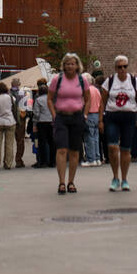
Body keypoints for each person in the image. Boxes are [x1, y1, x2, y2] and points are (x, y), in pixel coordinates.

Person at [100, 56, 137, 191]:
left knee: (126, 149)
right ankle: (115, 177)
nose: (122, 69)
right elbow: (102, 101)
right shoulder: (109, 81)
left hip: (129, 117)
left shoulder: (133, 81)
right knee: (113, 147)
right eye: (119, 67)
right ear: (115, 68)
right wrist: (100, 120)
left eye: (124, 66)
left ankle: (125, 179)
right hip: (112, 116)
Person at [49, 54, 87, 194]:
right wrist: (54, 115)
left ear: (77, 66)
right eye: (67, 64)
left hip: (77, 117)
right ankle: (61, 182)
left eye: (73, 64)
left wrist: (85, 114)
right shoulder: (57, 79)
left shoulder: (82, 80)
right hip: (61, 117)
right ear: (63, 65)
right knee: (61, 149)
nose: (70, 66)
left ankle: (71, 181)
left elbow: (87, 99)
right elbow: (49, 99)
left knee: (74, 151)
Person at [0, 83, 16, 170]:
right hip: (10, 121)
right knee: (9, 144)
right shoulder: (10, 97)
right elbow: (13, 107)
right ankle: (8, 164)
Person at [82, 73, 103, 166]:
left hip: (89, 114)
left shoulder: (86, 91)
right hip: (96, 114)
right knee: (95, 137)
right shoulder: (96, 90)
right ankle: (97, 158)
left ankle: (91, 159)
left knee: (88, 138)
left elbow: (84, 103)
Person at [32, 80, 54, 168]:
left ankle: (43, 161)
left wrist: (34, 124)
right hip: (51, 121)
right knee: (51, 142)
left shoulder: (38, 100)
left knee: (42, 142)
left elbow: (36, 113)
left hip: (41, 122)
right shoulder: (52, 99)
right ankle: (52, 161)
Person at [13, 79, 31, 168]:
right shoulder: (22, 93)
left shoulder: (7, 93)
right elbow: (25, 106)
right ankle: (18, 160)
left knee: (8, 142)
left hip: (10, 119)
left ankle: (7, 160)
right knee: (20, 141)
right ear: (19, 84)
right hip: (20, 119)